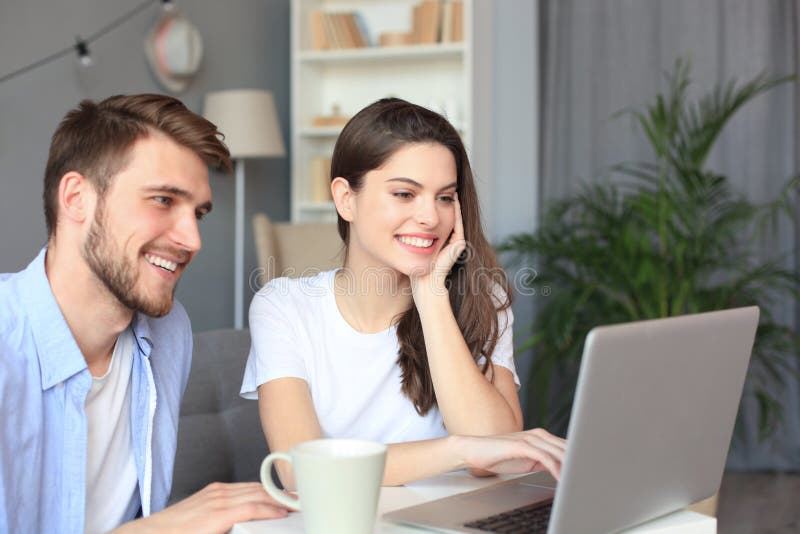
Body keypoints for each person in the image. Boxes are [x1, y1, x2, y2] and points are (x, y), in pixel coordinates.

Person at [0, 94, 290, 533]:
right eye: (162, 200)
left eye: (198, 214)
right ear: (77, 198)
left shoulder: (169, 332)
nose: (192, 240)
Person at [241, 98, 566, 489]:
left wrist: (431, 298)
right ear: (345, 199)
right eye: (404, 194)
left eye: (445, 197)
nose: (430, 218)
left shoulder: (482, 299)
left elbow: (497, 456)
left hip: (451, 517)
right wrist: (458, 450)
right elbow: (301, 473)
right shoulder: (283, 307)